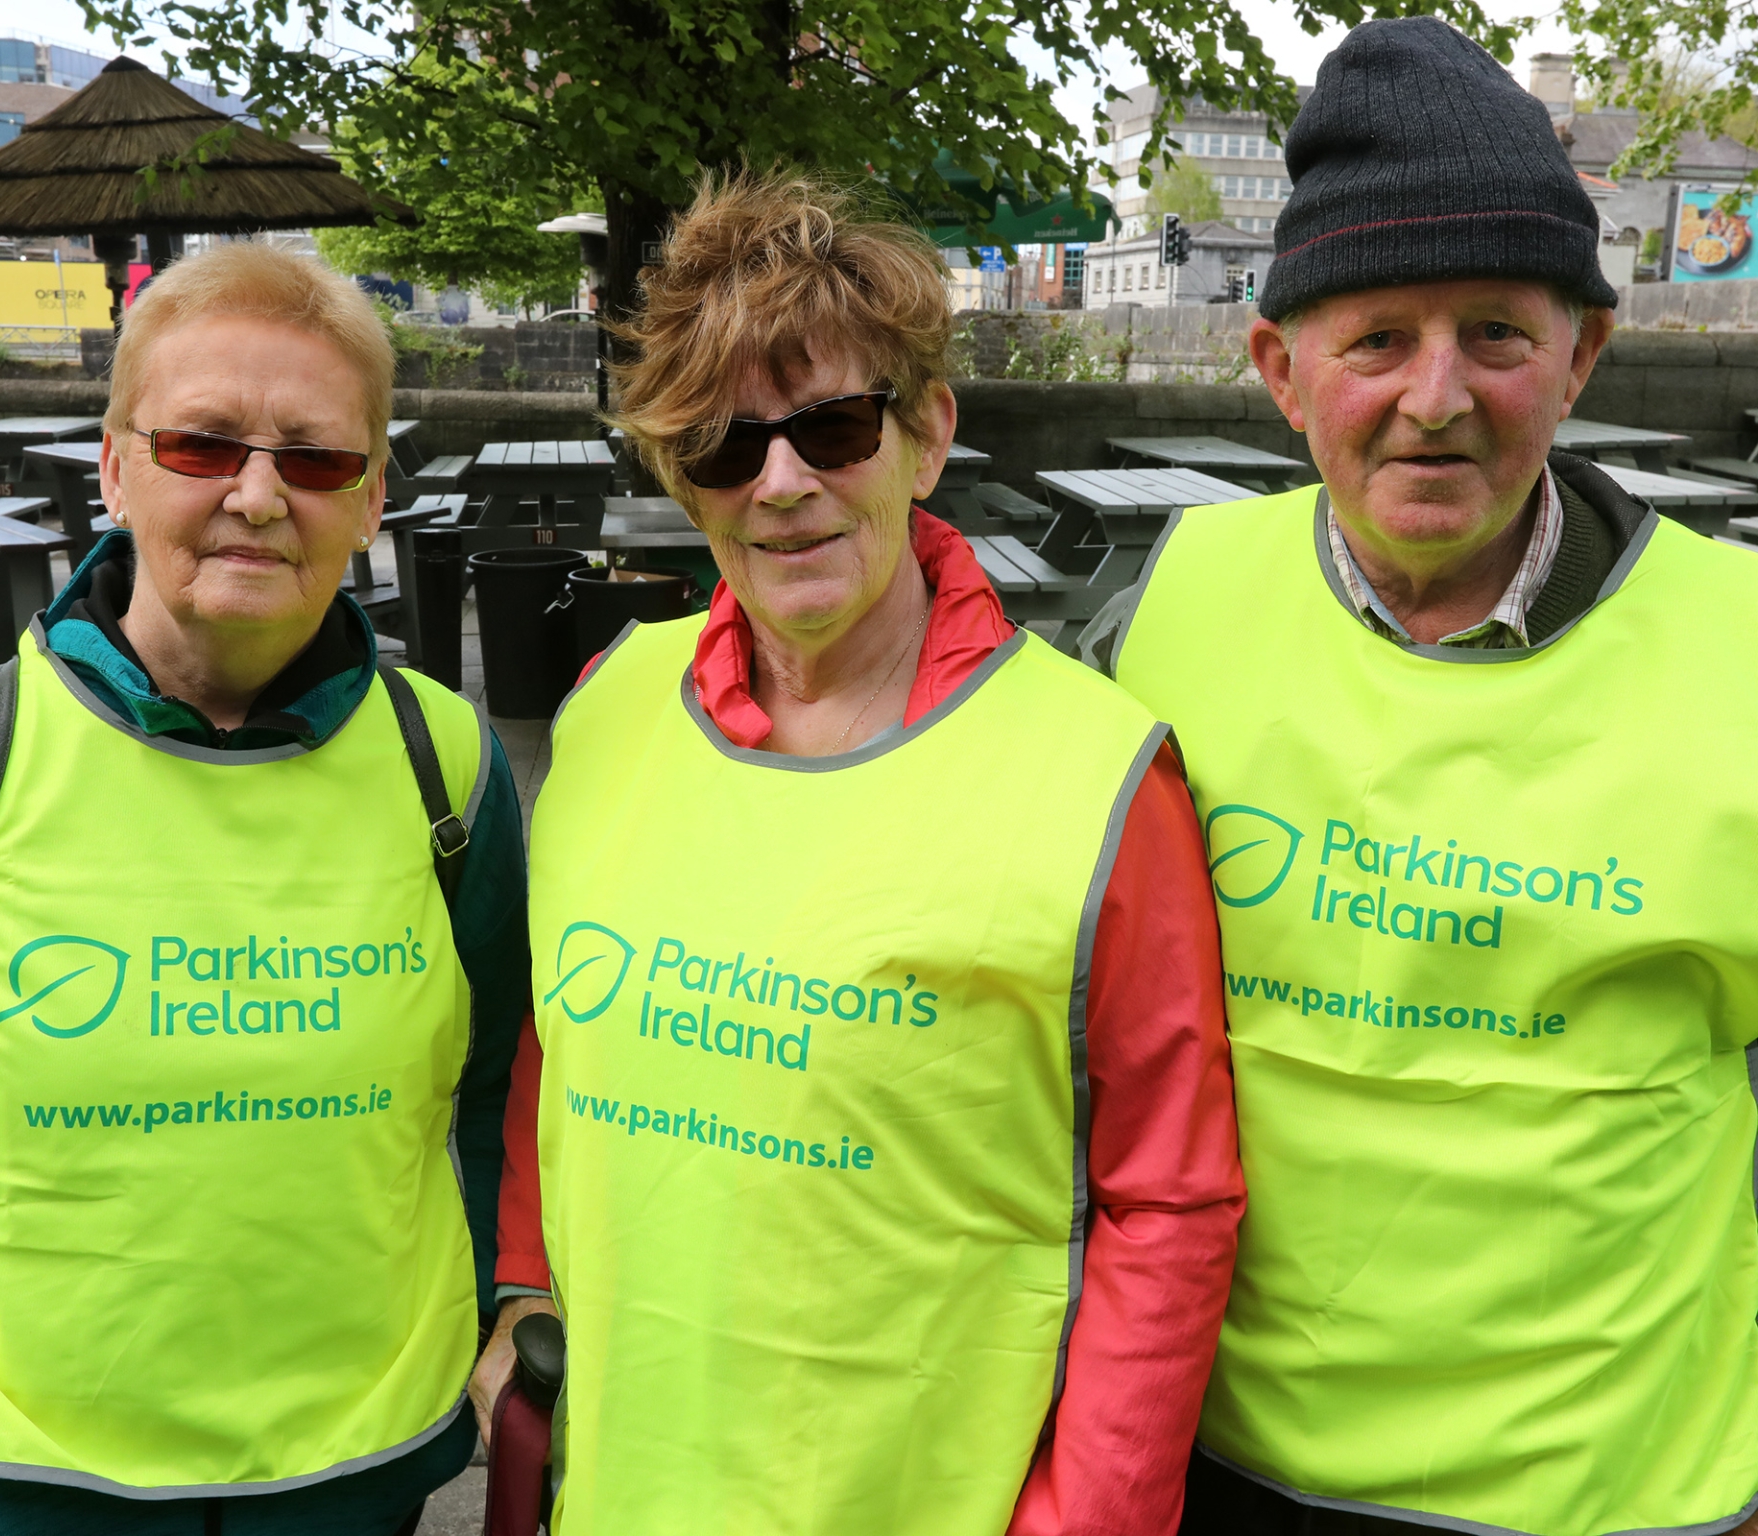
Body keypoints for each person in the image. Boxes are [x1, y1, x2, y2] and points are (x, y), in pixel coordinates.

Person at [1083, 18, 1758, 1536]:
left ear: (1583, 351)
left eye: (1497, 335)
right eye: (1376, 338)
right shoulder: (1163, 612)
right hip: (1222, 1462)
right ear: (1280, 367)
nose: (1436, 396)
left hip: (1617, 1489)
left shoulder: (1745, 656)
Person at [508, 170, 1244, 1535]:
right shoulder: (612, 708)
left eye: (834, 428)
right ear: (683, 476)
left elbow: (1171, 1202)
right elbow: (557, 1040)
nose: (781, 483)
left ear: (927, 435)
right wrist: (521, 1315)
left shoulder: (1095, 774)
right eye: (726, 447)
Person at [0, 241, 549, 1534]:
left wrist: (500, 1307)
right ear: (114, 466)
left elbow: (496, 1086)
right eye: (203, 446)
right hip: (0, 1496)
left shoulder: (445, 767)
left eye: (316, 457)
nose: (260, 497)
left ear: (373, 493)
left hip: (345, 1484)